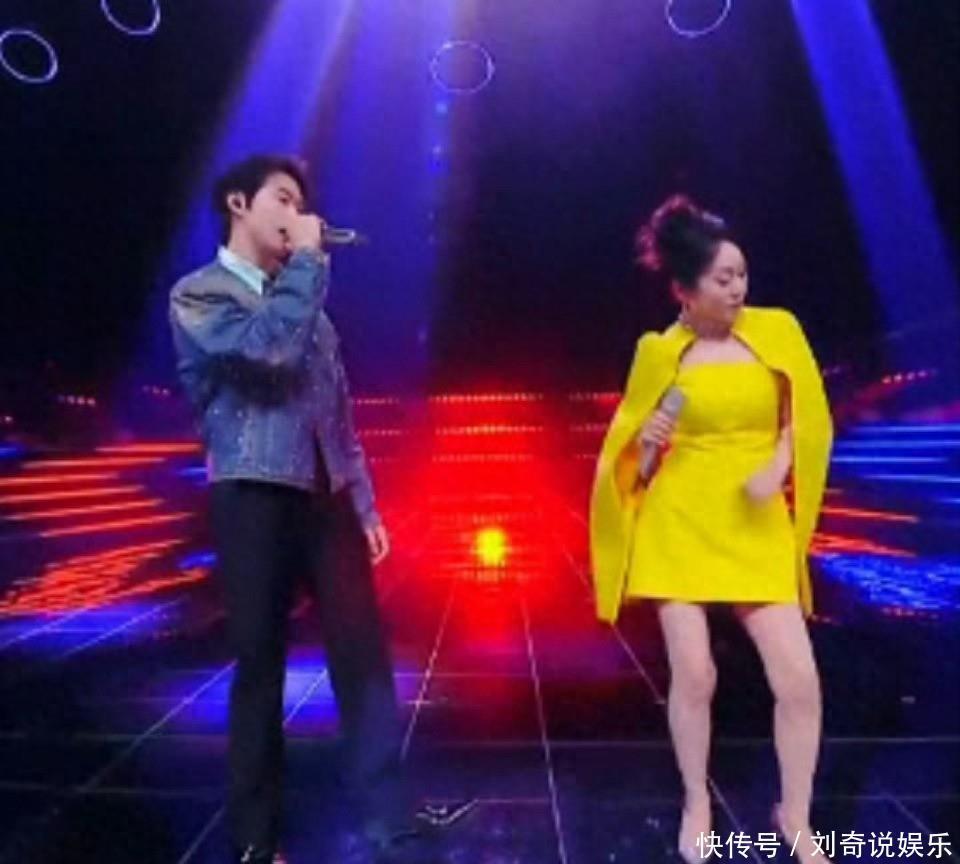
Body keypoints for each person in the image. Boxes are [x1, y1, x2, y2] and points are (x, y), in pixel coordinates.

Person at [169, 154, 423, 863]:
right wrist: (309, 264)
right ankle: (257, 839)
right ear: (238, 204)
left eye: (301, 204)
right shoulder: (200, 294)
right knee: (260, 667)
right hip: (252, 492)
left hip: (326, 496)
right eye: (283, 199)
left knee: (363, 658)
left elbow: (338, 416)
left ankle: (388, 817)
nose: (298, 215)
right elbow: (270, 355)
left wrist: (363, 502)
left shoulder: (310, 307)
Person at [590, 195, 834, 864]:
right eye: (723, 279)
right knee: (695, 674)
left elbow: (805, 419)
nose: (737, 289)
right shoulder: (660, 353)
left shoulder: (777, 332)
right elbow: (633, 467)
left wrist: (778, 466)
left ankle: (796, 815)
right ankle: (696, 802)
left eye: (741, 275)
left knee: (799, 679)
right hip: (680, 519)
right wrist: (648, 445)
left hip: (756, 522)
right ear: (685, 289)